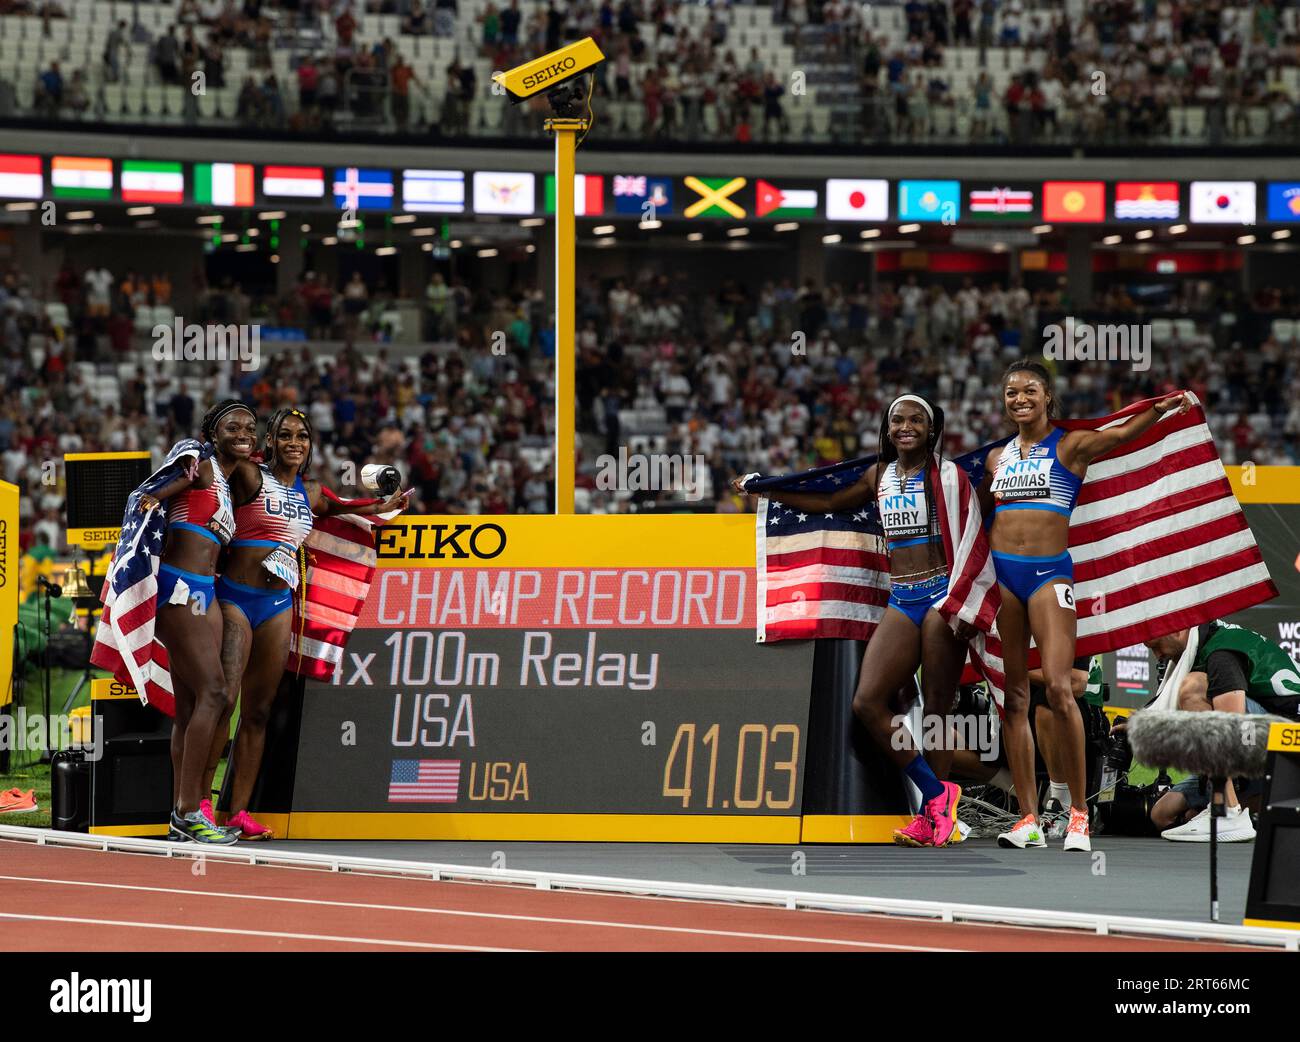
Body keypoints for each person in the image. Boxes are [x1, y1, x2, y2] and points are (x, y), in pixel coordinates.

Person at [733, 393, 994, 847]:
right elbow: (829, 501)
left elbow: (973, 530)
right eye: (898, 421)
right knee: (868, 703)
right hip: (902, 598)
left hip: (940, 597)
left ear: (932, 431)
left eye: (916, 420)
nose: (906, 427)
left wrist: (961, 602)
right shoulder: (879, 476)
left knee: (936, 708)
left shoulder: (948, 477)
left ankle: (936, 818)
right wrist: (768, 489)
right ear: (887, 429)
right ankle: (938, 795)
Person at [977, 359, 1190, 852]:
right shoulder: (994, 459)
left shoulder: (1070, 445)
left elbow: (1119, 435)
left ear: (1048, 398)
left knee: (1058, 687)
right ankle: (1028, 818)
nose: (1019, 399)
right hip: (1003, 576)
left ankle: (1077, 814)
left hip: (1050, 575)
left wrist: (1158, 408)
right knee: (1014, 697)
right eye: (1011, 393)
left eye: (1029, 390)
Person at [214, 408, 407, 839]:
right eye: (285, 435)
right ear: (271, 440)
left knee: (259, 711)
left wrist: (388, 502)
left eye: (301, 436)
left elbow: (352, 507)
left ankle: (239, 814)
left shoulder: (312, 492)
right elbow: (214, 474)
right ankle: (200, 810)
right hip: (235, 599)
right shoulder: (247, 474)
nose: (294, 443)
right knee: (224, 700)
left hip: (278, 604)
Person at [137, 400, 257, 844]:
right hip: (179, 587)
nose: (244, 431)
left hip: (205, 590)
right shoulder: (201, 462)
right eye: (232, 426)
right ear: (212, 432)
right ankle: (190, 811)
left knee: (190, 708)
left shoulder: (227, 481)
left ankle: (179, 815)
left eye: (250, 426)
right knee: (217, 692)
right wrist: (155, 495)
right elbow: (168, 480)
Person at [1141, 622, 1300, 842]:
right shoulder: (1212, 642)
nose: (1156, 655)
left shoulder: (1221, 652)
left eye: (1156, 646)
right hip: (1268, 738)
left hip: (1289, 741)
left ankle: (1226, 809)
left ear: (1178, 630)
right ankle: (1269, 798)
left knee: (1194, 689)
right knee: (1162, 814)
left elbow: (1231, 727)